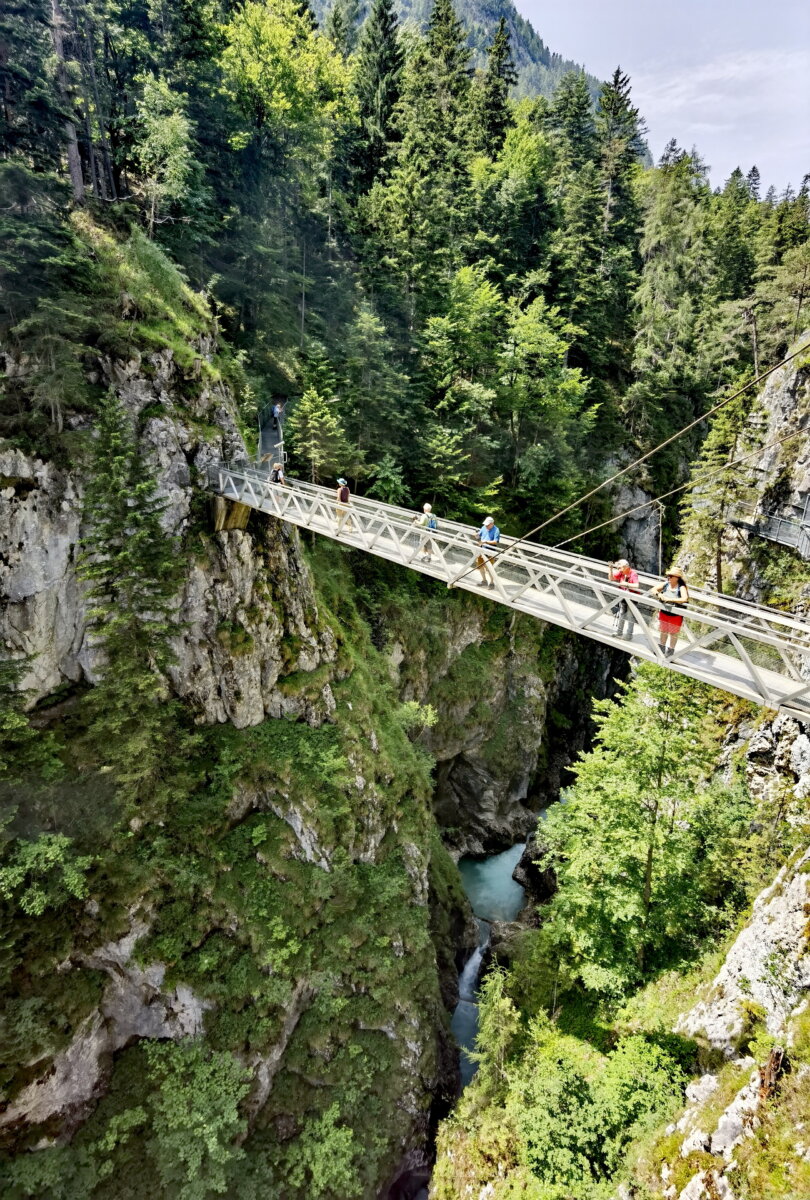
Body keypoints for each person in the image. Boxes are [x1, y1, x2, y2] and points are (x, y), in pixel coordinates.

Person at [651, 567, 689, 658]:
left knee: (673, 633)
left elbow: (684, 599)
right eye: (668, 576)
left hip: (675, 615)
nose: (669, 577)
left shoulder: (681, 587)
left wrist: (669, 599)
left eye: (671, 576)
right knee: (663, 630)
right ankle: (661, 648)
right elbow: (653, 589)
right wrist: (659, 594)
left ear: (677, 578)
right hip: (664, 612)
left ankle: (670, 651)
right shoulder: (666, 584)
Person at [608, 558, 640, 639]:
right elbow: (611, 578)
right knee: (622, 614)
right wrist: (610, 569)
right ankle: (619, 632)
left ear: (625, 567)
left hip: (632, 598)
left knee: (630, 616)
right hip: (623, 596)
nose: (619, 570)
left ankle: (629, 635)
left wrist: (626, 584)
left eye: (620, 568)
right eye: (618, 568)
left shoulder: (633, 574)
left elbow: (636, 585)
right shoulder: (622, 572)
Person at [475, 516, 500, 587]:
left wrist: (486, 542)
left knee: (489, 568)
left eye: (488, 525)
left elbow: (495, 541)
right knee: (479, 565)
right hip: (481, 549)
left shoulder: (496, 530)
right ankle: (484, 581)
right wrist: (477, 535)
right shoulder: (484, 527)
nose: (486, 526)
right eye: (486, 524)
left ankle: (492, 583)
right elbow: (479, 535)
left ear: (492, 524)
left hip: (490, 551)